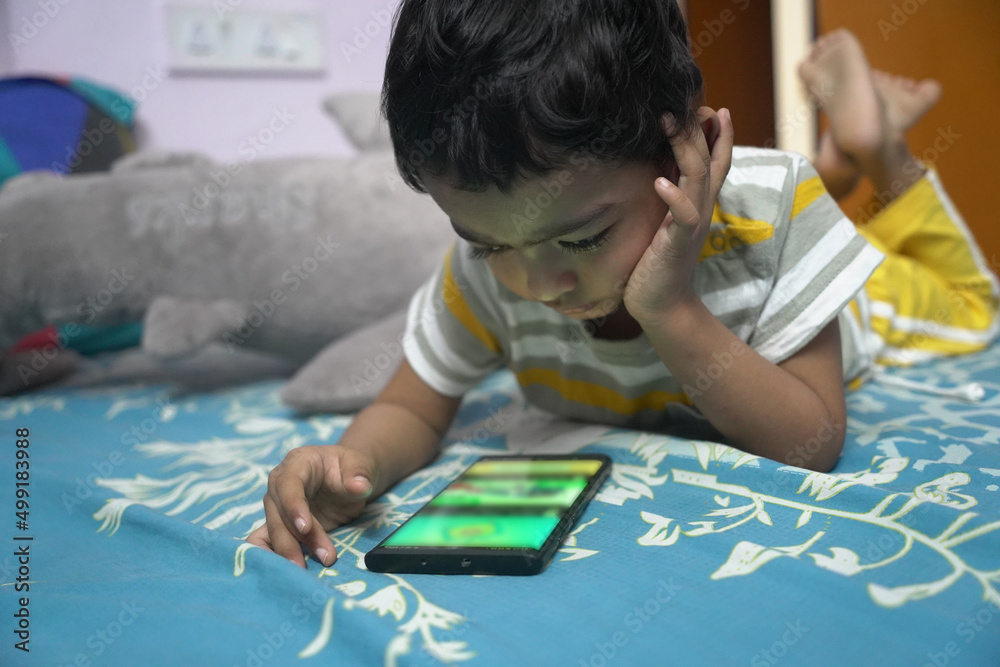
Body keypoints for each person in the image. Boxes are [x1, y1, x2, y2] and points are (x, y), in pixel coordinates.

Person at [247, 3, 998, 568]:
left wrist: (668, 306)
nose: (538, 282)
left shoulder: (778, 209)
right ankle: (848, 159)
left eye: (581, 236)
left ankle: (878, 148)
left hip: (864, 303)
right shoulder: (485, 274)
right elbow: (412, 402)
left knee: (973, 302)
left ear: (691, 153)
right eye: (489, 240)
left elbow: (810, 441)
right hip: (765, 239)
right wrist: (352, 466)